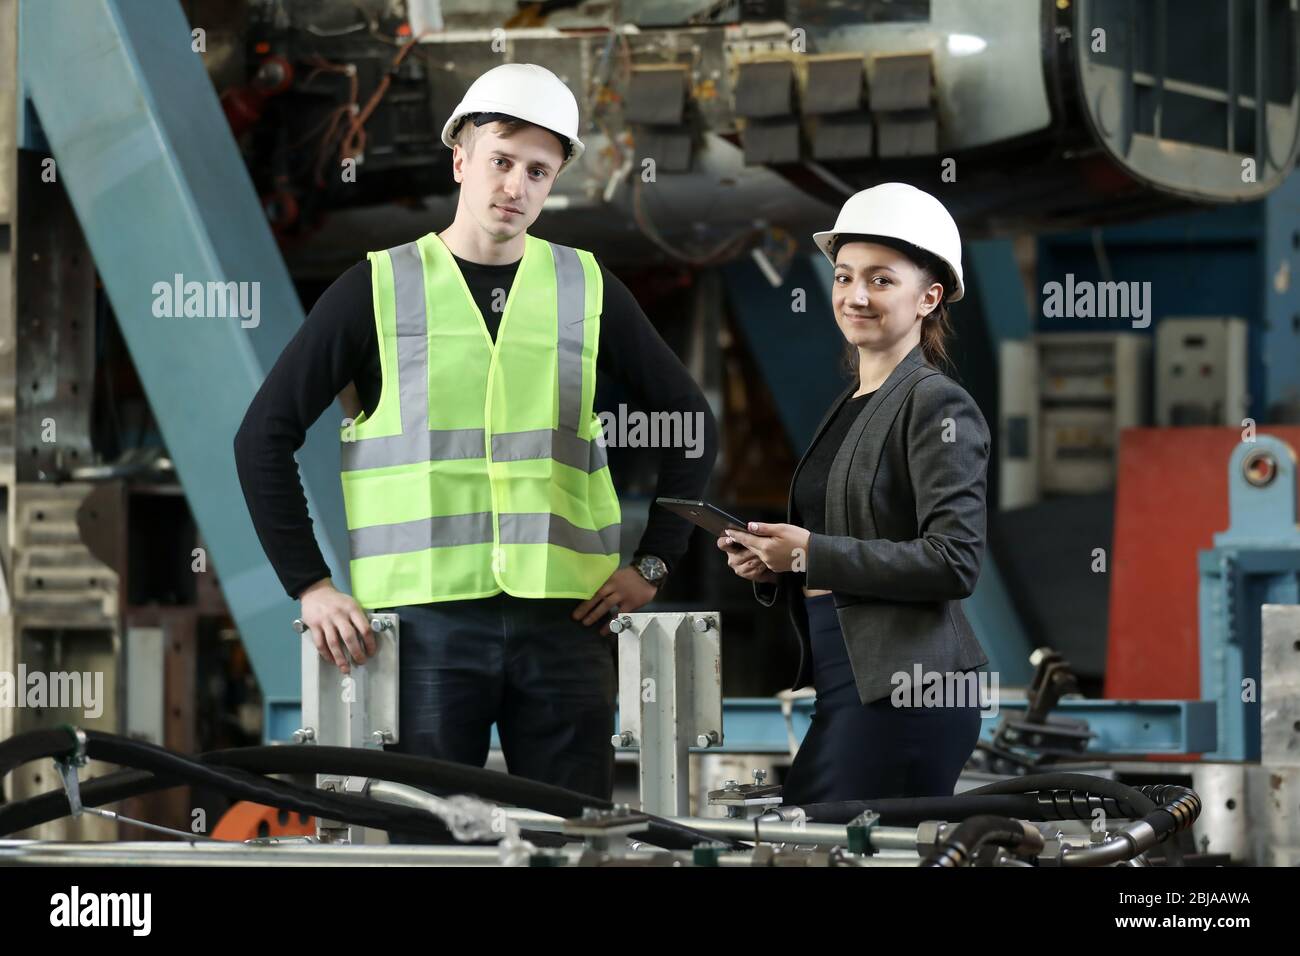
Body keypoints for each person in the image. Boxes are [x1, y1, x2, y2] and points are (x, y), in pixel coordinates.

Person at [233, 63, 717, 836]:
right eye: (501, 160)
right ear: (460, 157)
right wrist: (310, 584)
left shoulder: (586, 288)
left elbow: (692, 427)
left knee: (573, 840)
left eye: (538, 171)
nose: (515, 186)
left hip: (566, 623)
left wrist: (655, 563)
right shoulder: (377, 288)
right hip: (424, 627)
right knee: (423, 842)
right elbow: (262, 437)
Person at [720, 182, 990, 805]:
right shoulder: (851, 402)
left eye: (880, 280)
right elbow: (845, 542)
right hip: (850, 682)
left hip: (907, 693)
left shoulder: (937, 404)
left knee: (819, 843)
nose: (855, 296)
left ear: (929, 297)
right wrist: (775, 563)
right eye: (844, 277)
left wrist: (810, 553)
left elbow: (955, 560)